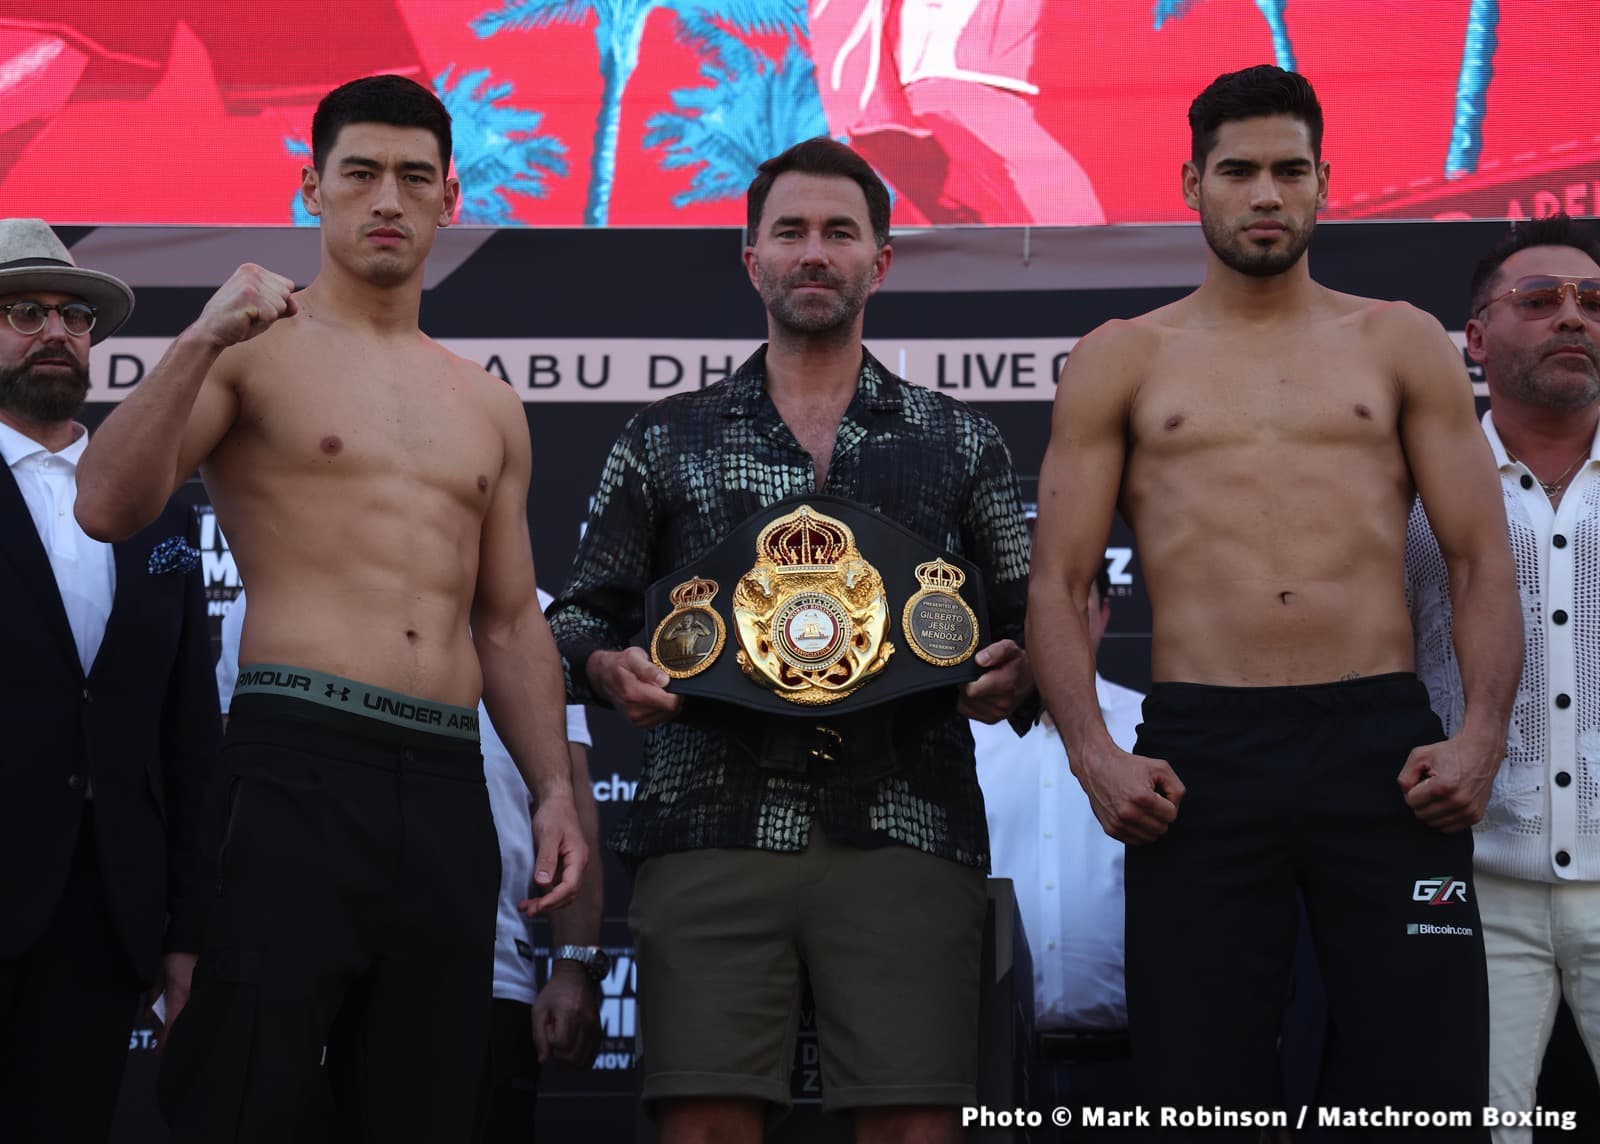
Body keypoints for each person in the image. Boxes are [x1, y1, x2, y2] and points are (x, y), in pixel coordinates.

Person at [71, 74, 587, 1142]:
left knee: (422, 1104)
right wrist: (199, 339)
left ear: (450, 196)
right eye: (360, 173)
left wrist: (551, 789)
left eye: (413, 177)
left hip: (444, 783)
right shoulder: (253, 350)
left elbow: (506, 622)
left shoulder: (489, 403)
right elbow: (105, 504)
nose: (387, 199)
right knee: (245, 1095)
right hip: (296, 765)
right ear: (312, 188)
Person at [1027, 65, 1522, 1131]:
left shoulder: (1399, 340)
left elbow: (1481, 559)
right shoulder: (1121, 358)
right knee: (1198, 1087)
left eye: (1290, 171)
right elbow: (1060, 583)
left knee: (1422, 1087)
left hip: (1381, 746)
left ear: (1323, 184)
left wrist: (1480, 736)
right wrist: (1094, 754)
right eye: (1238, 171)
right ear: (1191, 184)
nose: (1265, 194)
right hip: (1202, 754)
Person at [548, 136, 1033, 1144]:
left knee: (915, 1126)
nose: (814, 252)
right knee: (705, 1123)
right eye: (791, 232)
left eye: (839, 233)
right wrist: (604, 664)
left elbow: (1036, 627)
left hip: (909, 823)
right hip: (709, 825)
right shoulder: (662, 436)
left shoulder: (961, 440)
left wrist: (1015, 671)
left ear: (880, 261)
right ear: (752, 258)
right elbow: (575, 619)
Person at [214, 588, 609, 1141]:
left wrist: (572, 964)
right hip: (300, 951)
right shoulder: (276, 588)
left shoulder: (531, 616)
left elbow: (570, 800)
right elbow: (232, 781)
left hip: (487, 964)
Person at [0, 217, 222, 1143]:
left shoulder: (155, 504)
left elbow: (189, 732)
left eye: (74, 316)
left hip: (102, 912)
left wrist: (188, 931)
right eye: (24, 312)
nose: (56, 331)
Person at [1407, 213, 1600, 1143]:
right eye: (1540, 298)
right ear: (1476, 338)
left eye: (1593, 300)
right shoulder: (1414, 488)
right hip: (1471, 881)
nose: (1573, 316)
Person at [972, 556, 1145, 1136]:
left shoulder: (1152, 728)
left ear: (1104, 615)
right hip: (988, 1065)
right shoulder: (962, 743)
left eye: (1071, 608)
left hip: (1130, 1067)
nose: (1049, 630)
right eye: (1033, 615)